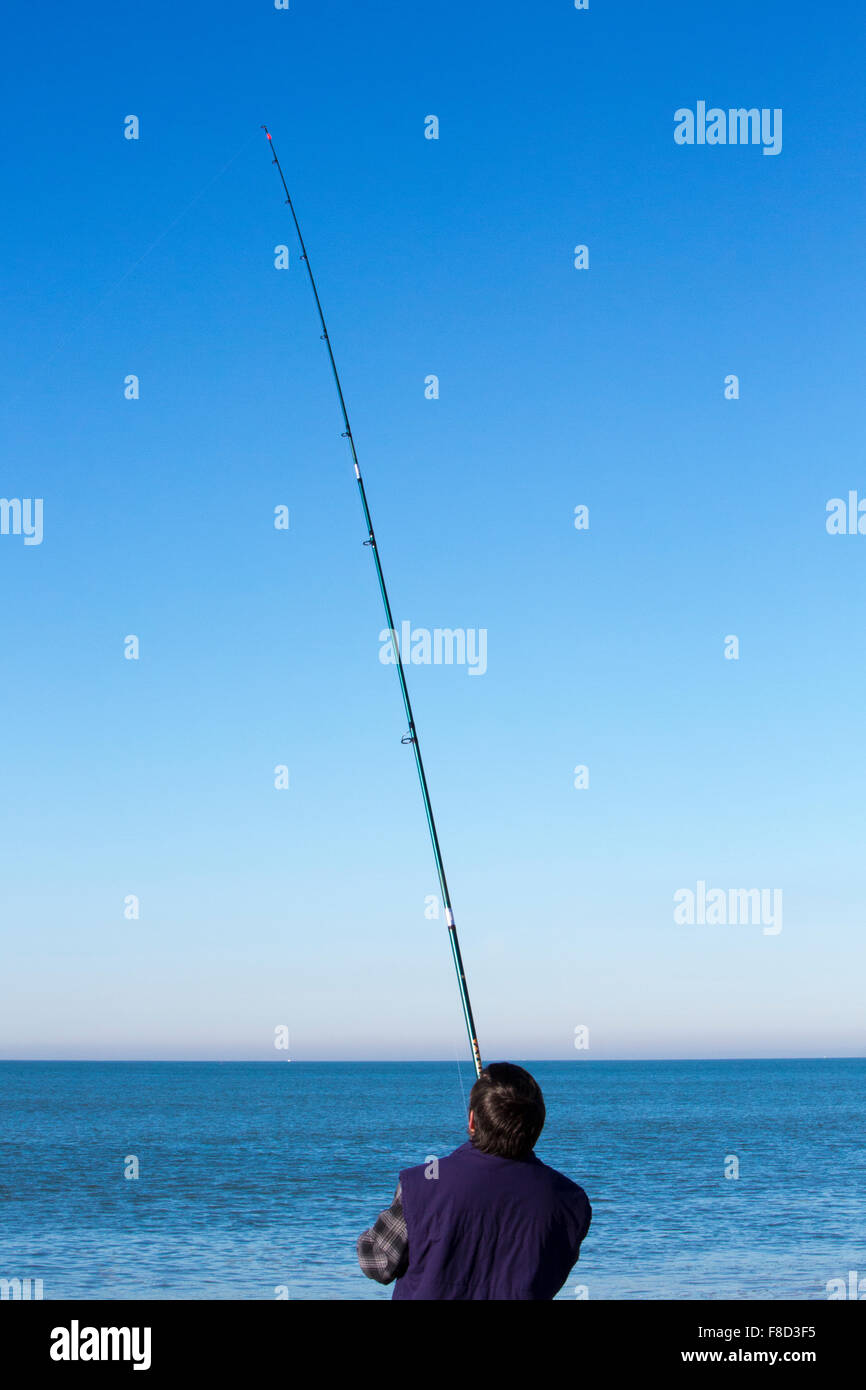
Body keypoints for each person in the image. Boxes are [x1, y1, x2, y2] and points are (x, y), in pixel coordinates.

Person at [357, 1061, 591, 1300]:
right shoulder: (572, 1201)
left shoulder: (422, 1183)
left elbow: (377, 1263)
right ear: (538, 1126)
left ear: (471, 1121)